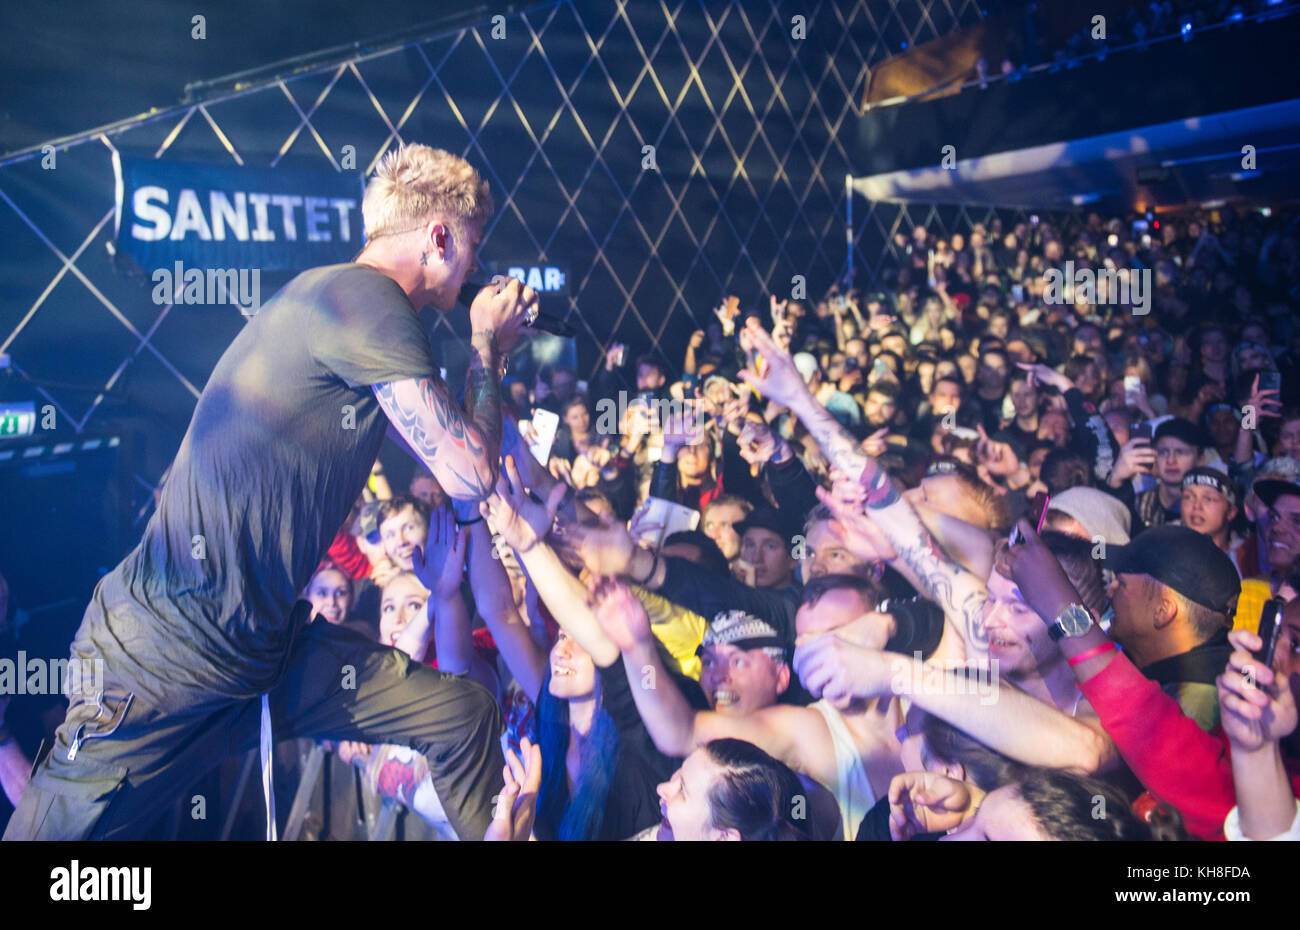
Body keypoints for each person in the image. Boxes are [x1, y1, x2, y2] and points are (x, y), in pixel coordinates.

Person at [5, 143, 536, 841]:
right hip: (166, 653)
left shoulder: (343, 309)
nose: (474, 267)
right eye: (473, 245)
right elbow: (471, 473)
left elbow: (453, 468)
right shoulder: (364, 298)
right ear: (439, 236)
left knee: (461, 715)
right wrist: (486, 347)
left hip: (259, 652)